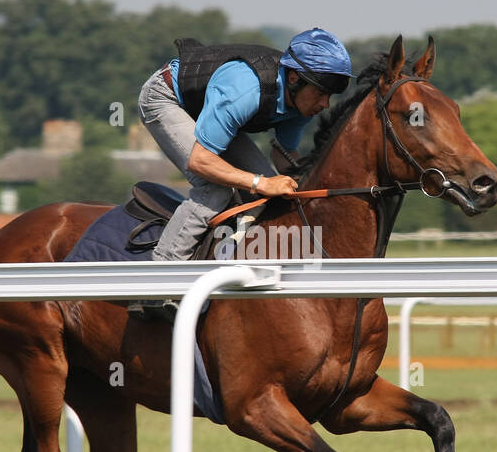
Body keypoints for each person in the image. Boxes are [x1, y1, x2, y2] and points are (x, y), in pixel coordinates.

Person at [128, 27, 353, 321]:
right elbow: (200, 162)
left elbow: (285, 159)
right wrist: (261, 182)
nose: (325, 104)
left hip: (212, 112)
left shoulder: (299, 104)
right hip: (167, 99)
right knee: (215, 188)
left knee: (268, 194)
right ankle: (158, 285)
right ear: (295, 79)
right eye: (322, 93)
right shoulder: (245, 90)